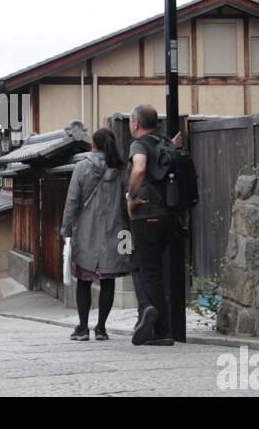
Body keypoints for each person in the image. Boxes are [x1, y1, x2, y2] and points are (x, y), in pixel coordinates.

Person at [61, 127, 133, 341]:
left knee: (84, 280)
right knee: (108, 280)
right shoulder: (121, 170)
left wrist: (65, 229)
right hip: (115, 230)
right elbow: (127, 199)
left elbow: (72, 201)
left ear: (93, 145)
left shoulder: (82, 167)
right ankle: (101, 328)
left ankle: (83, 328)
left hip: (86, 231)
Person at [126, 104, 182, 347]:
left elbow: (139, 169)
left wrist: (131, 197)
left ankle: (161, 328)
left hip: (146, 213)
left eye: (130, 120)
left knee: (149, 272)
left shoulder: (138, 144)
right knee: (150, 268)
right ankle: (148, 315)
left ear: (136, 123)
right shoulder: (166, 144)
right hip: (170, 216)